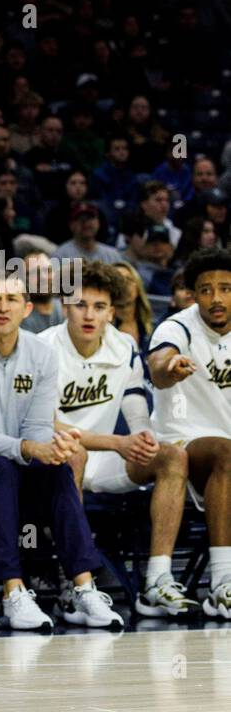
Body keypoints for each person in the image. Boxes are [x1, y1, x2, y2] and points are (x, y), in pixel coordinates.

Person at [0, 275, 117, 629]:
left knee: (58, 467)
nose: (2, 307)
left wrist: (52, 449)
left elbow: (38, 425)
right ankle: (12, 592)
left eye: (11, 299)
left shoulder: (41, 354)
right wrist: (31, 448)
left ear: (26, 309)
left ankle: (83, 587)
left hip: (10, 458)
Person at [38, 263, 195, 617]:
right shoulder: (42, 347)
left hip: (108, 459)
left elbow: (134, 399)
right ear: (65, 306)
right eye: (80, 305)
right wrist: (117, 443)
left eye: (99, 307)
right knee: (73, 454)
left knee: (173, 457)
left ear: (112, 312)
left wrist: (142, 436)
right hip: (56, 460)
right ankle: (72, 582)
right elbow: (47, 424)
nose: (89, 315)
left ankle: (157, 580)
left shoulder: (123, 345)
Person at [146, 248, 231, 619]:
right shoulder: (177, 327)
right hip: (180, 441)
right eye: (206, 290)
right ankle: (223, 582)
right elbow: (158, 365)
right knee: (226, 452)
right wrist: (170, 367)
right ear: (194, 295)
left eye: (225, 289)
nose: (216, 298)